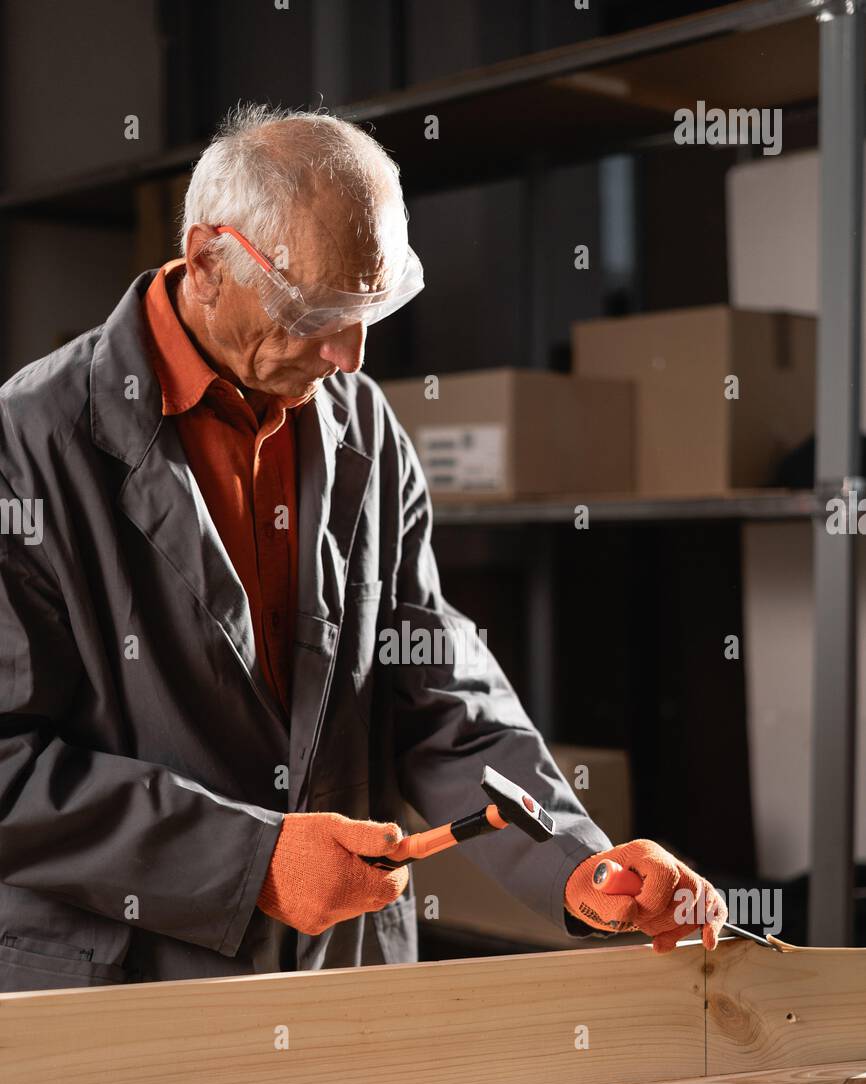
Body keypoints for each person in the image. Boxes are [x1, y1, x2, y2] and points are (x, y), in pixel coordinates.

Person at [0, 105, 726, 990]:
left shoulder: (361, 426)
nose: (349, 355)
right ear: (206, 263)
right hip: (124, 986)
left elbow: (434, 686)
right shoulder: (26, 446)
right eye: (320, 312)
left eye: (371, 307)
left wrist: (574, 863)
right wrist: (251, 859)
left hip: (340, 973)